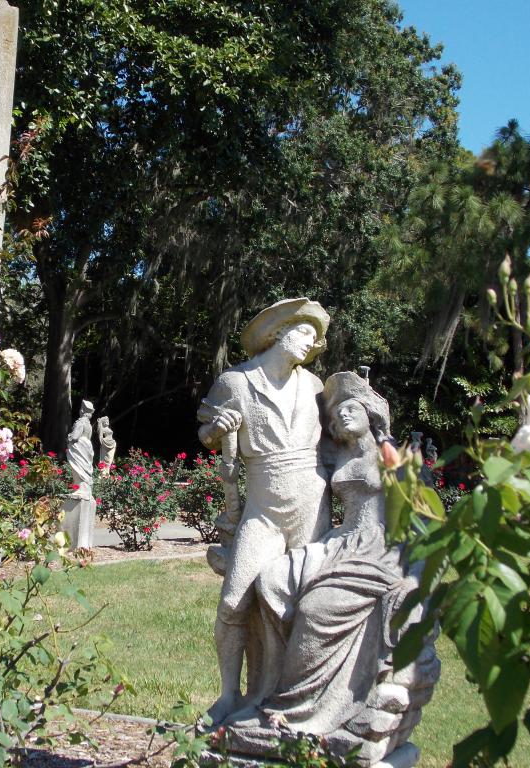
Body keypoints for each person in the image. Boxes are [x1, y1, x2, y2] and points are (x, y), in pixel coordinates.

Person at [243, 371, 415, 740]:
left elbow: (419, 516)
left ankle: (299, 709)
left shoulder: (392, 456)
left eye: (350, 408)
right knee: (271, 582)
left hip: (378, 548)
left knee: (318, 608)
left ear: (370, 412)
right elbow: (288, 452)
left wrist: (415, 571)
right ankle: (264, 688)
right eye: (335, 415)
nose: (342, 416)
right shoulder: (334, 454)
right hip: (339, 541)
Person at [197, 298, 331, 724]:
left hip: (312, 503)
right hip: (263, 509)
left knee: (305, 604)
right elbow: (206, 434)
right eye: (306, 334)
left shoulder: (314, 386)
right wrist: (217, 431)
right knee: (234, 602)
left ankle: (298, 700)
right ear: (280, 332)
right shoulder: (236, 383)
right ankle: (228, 695)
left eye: (315, 339)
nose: (311, 345)